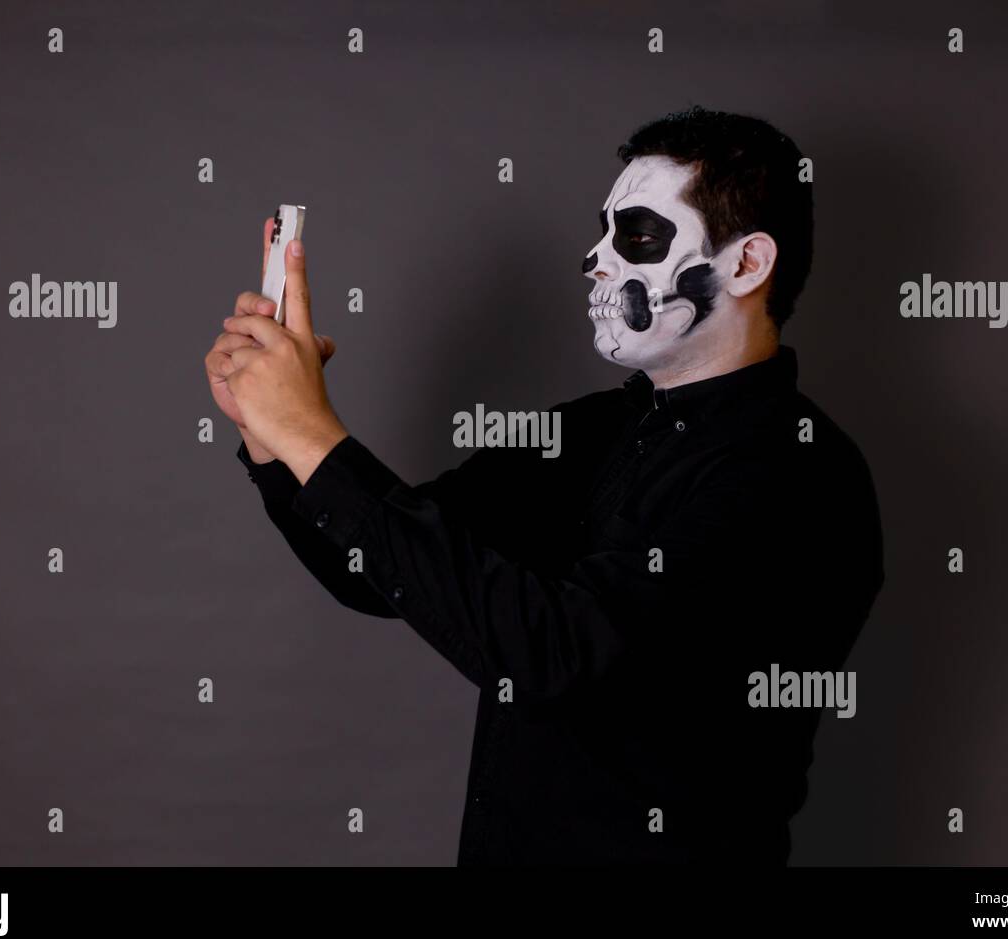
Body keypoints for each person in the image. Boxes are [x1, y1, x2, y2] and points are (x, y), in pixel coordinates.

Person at [204, 106, 884, 865]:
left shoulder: (798, 473)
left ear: (747, 264)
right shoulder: (591, 431)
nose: (596, 259)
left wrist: (311, 435)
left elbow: (561, 656)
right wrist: (268, 437)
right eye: (602, 231)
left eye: (636, 235)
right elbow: (374, 571)